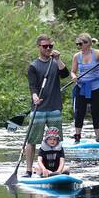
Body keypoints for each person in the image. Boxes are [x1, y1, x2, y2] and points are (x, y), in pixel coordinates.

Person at [24, 33, 69, 177]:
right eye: (45, 46)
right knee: (32, 141)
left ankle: (57, 169)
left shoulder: (55, 63)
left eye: (50, 46)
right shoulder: (33, 66)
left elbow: (65, 74)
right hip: (39, 109)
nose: (48, 49)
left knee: (57, 141)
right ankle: (29, 170)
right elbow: (33, 87)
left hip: (55, 107)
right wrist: (35, 96)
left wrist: (58, 59)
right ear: (39, 47)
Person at [70, 32, 99, 144]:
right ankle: (77, 135)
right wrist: (74, 77)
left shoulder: (97, 53)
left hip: (96, 86)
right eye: (78, 44)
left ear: (89, 44)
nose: (80, 46)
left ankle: (98, 137)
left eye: (82, 44)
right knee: (80, 112)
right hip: (82, 86)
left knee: (95, 112)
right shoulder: (76, 56)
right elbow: (73, 72)